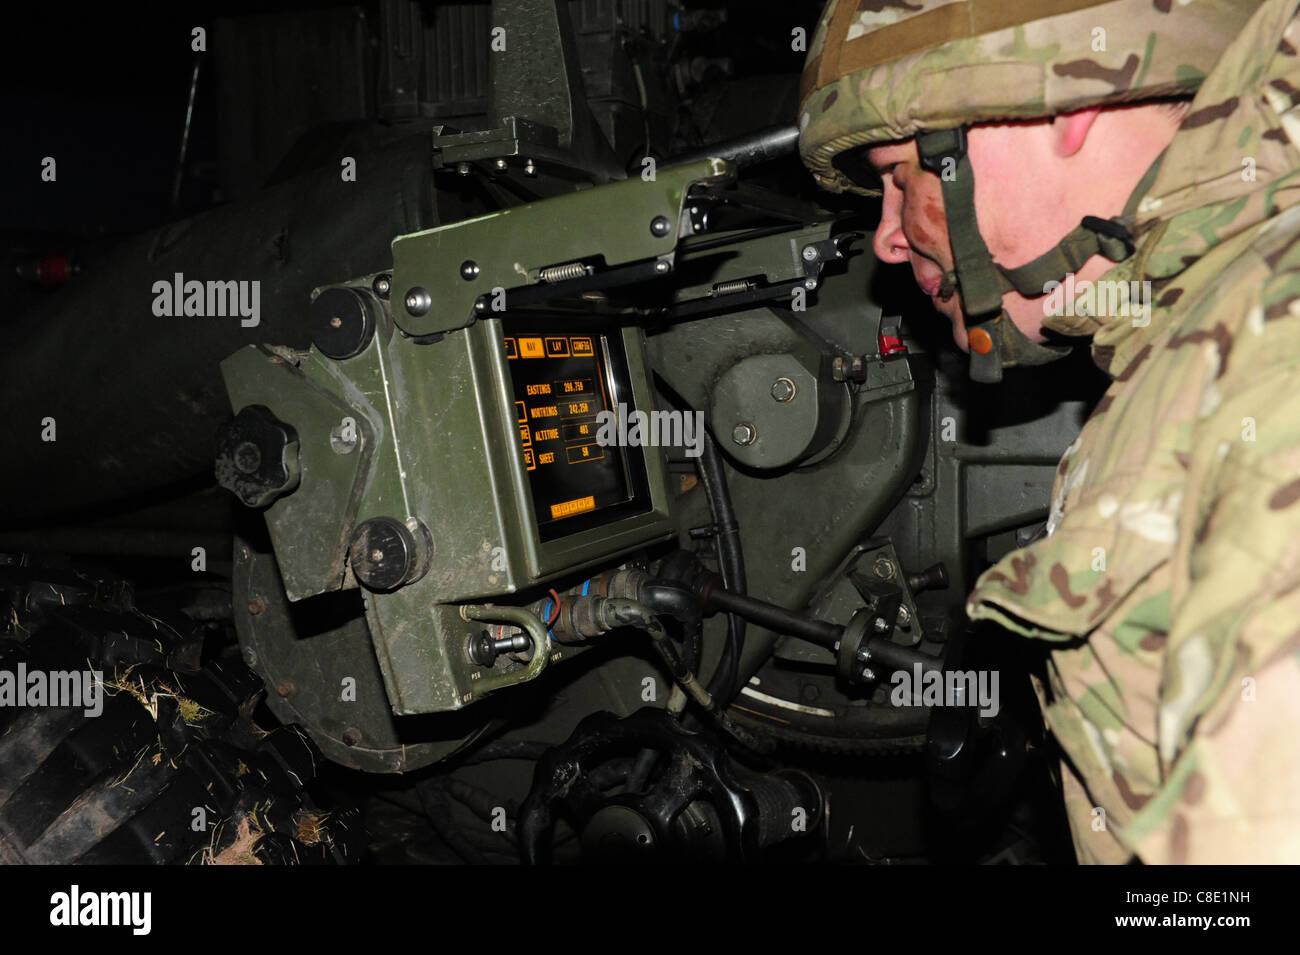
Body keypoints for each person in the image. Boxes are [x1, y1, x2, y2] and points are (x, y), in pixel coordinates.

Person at [799, 0, 1300, 863]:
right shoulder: (1209, 326)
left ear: (1059, 111)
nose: (885, 237)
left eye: (897, 174)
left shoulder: (1264, 365)